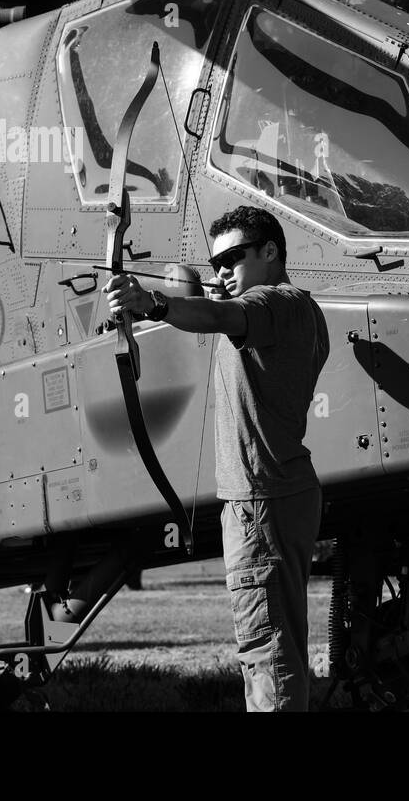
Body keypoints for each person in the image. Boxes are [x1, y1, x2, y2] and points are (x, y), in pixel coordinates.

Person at [104, 205, 329, 711]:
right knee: (279, 642)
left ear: (271, 252)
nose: (221, 270)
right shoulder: (302, 311)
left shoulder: (272, 304)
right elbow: (215, 309)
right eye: (215, 261)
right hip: (281, 495)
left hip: (259, 504)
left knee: (265, 649)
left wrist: (151, 302)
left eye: (233, 257)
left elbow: (220, 315)